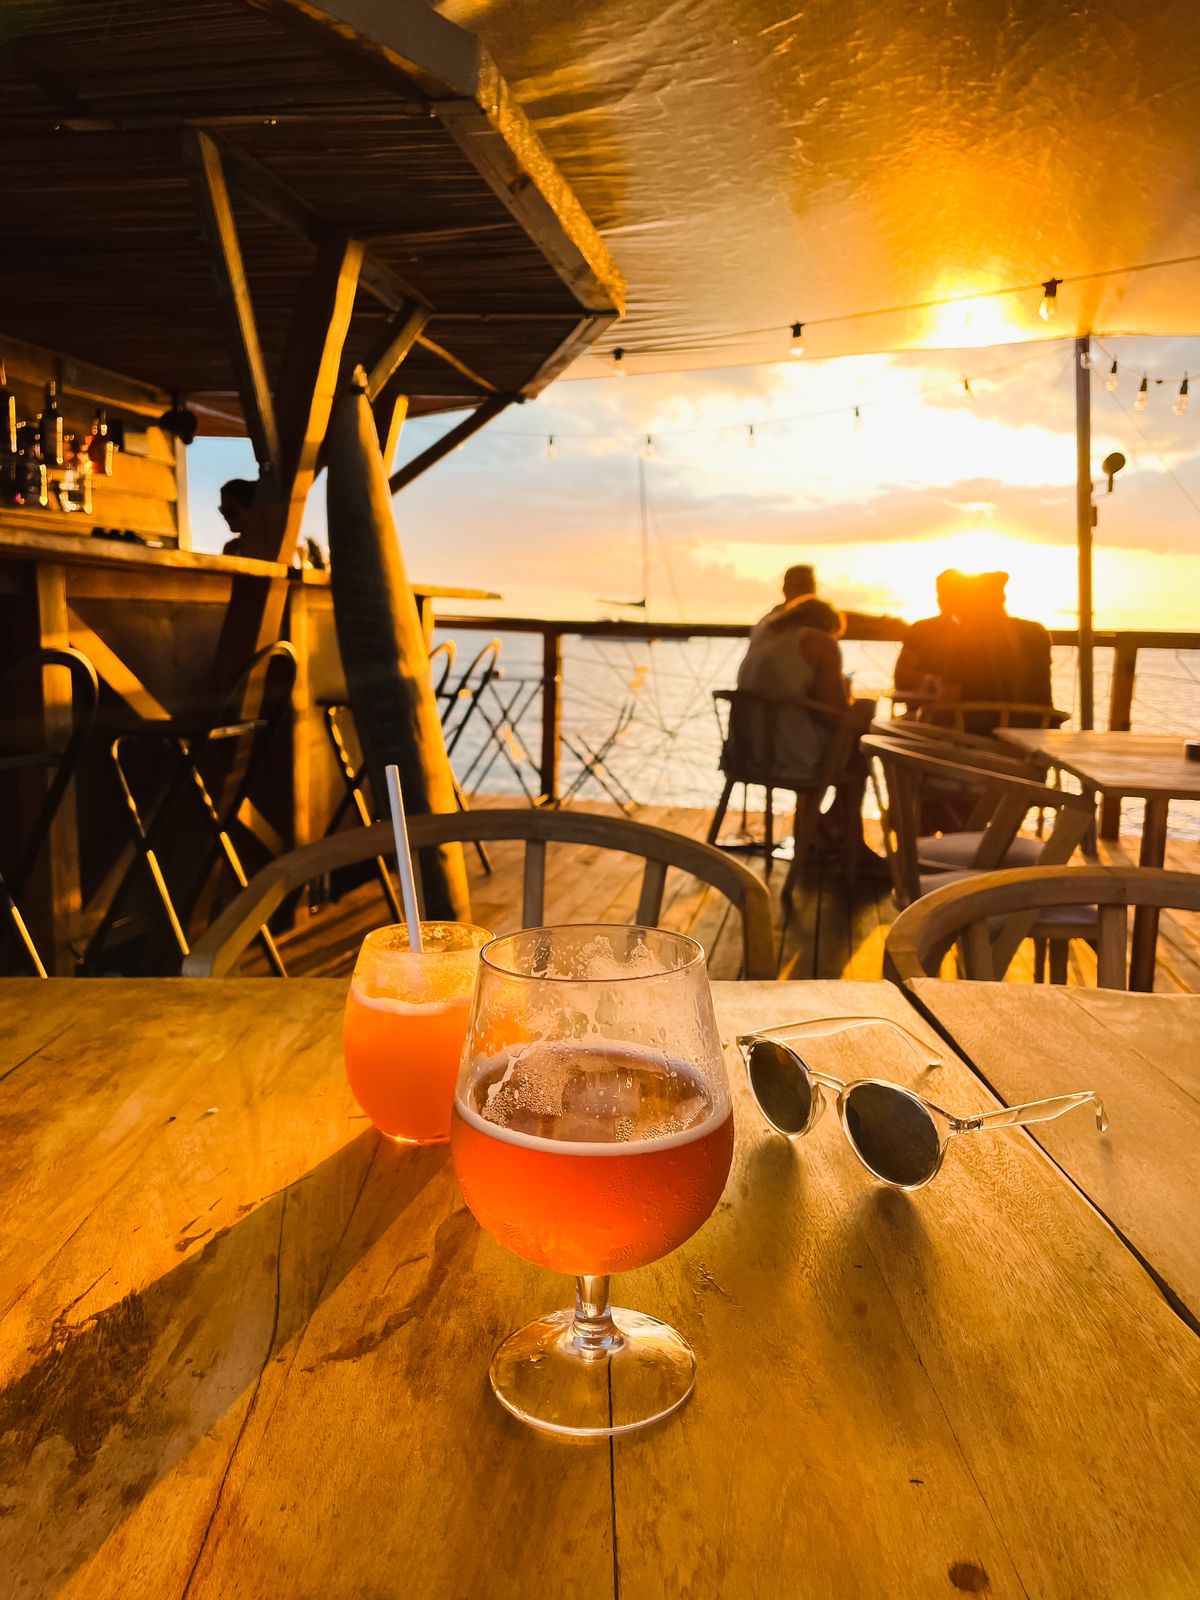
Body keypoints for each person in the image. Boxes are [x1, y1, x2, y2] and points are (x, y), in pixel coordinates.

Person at [734, 594, 881, 868]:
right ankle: (848, 839)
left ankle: (816, 830)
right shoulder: (819, 641)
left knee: (847, 744)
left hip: (746, 752)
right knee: (860, 741)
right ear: (828, 625)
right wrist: (860, 705)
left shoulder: (764, 636)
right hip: (791, 754)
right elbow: (833, 714)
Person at [947, 572, 1053, 729]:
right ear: (1002, 599)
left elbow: (947, 698)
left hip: (979, 733)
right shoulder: (1037, 632)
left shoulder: (963, 638)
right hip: (1037, 728)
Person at [893, 569, 968, 699]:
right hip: (924, 710)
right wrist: (930, 680)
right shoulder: (920, 630)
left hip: (935, 711)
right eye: (943, 593)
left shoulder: (975, 633)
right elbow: (901, 676)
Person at [750, 564, 818, 641]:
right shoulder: (807, 623)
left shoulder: (768, 620)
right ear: (785, 589)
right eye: (801, 586)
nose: (809, 592)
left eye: (811, 585)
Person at [218, 477, 270, 557]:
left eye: (230, 512)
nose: (225, 517)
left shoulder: (271, 548)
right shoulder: (230, 548)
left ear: (252, 511)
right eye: (222, 511)